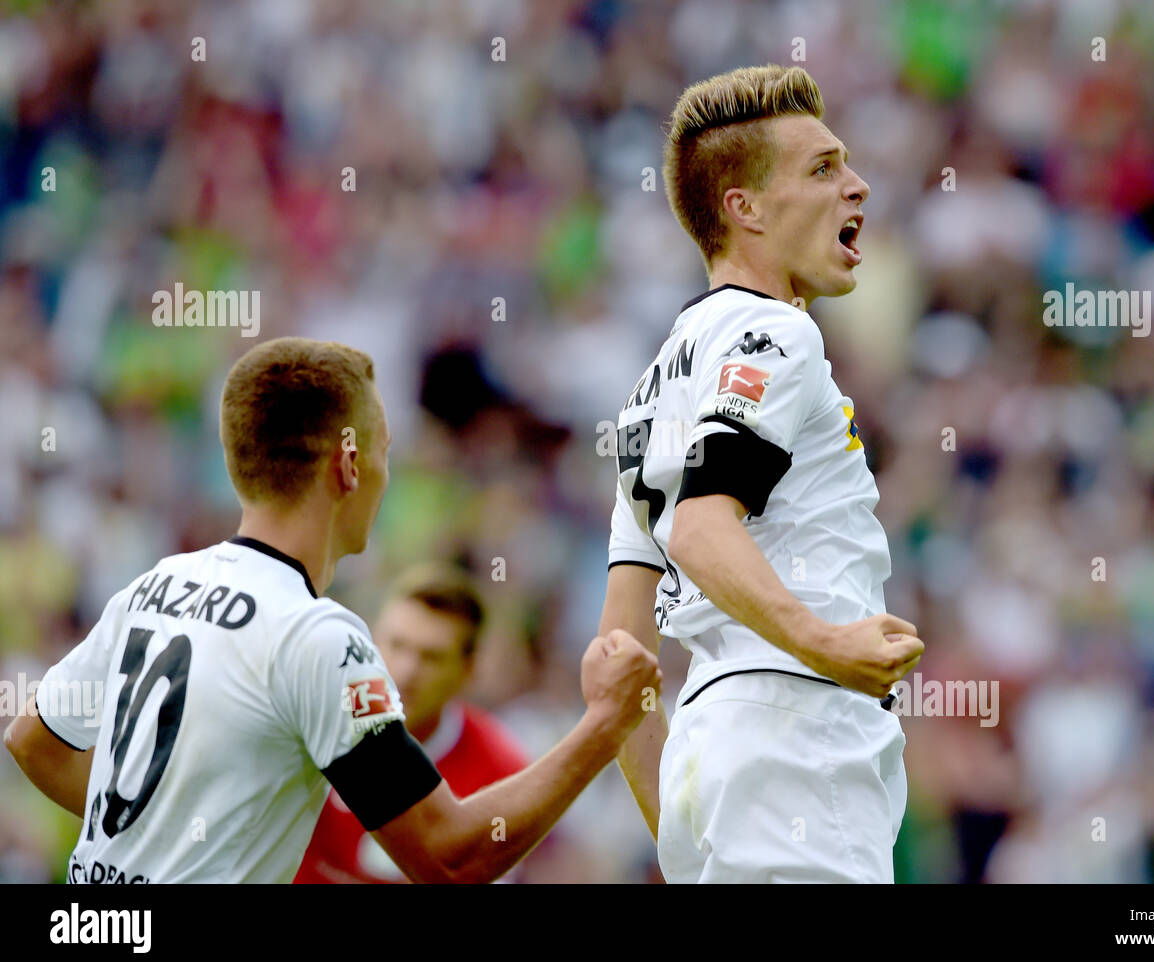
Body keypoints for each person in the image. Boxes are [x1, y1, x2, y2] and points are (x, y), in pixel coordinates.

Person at [5, 337, 659, 884]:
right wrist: (605, 724)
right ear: (348, 463)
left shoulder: (153, 586)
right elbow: (449, 854)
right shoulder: (316, 637)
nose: (385, 472)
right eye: (384, 451)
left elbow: (33, 739)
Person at [598, 64, 925, 883]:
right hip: (796, 732)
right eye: (822, 169)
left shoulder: (650, 392)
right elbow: (706, 524)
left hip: (715, 745)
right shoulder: (774, 332)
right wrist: (826, 644)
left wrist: (676, 818)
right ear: (744, 209)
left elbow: (616, 655)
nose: (857, 186)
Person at [294, 565, 532, 883]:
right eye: (396, 645)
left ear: (468, 669)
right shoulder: (320, 715)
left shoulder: (500, 773)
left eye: (431, 657)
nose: (406, 672)